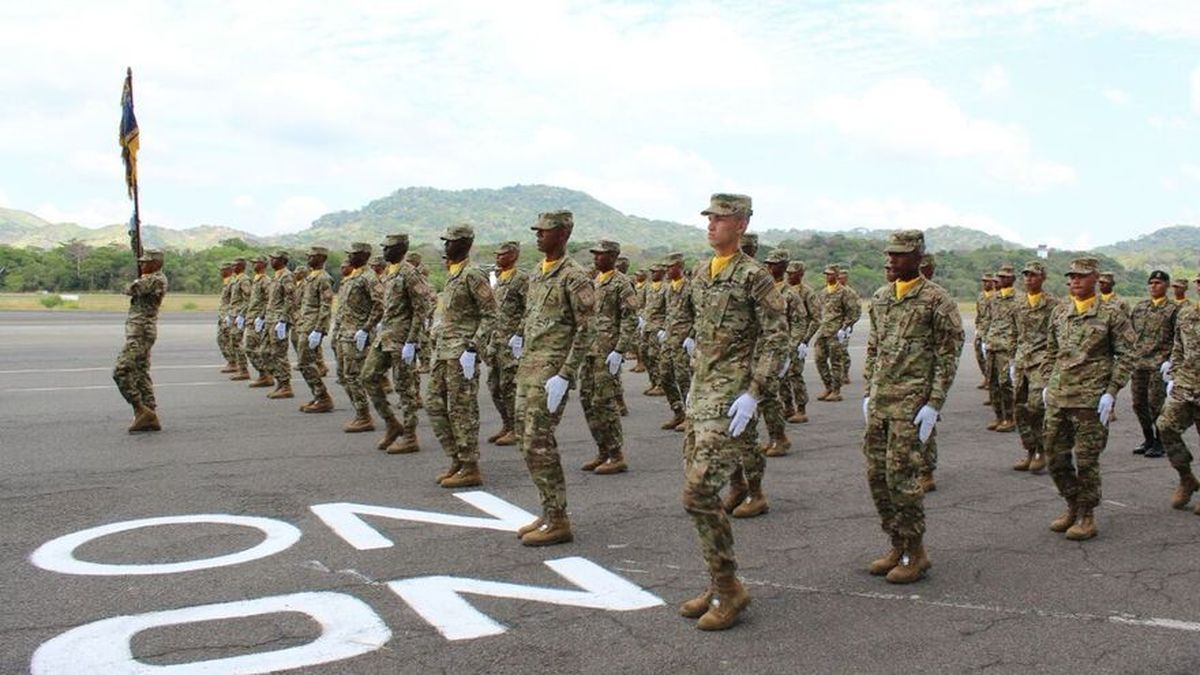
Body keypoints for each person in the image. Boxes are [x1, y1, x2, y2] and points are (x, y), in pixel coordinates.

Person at [677, 193, 786, 631]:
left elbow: (776, 337)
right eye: (709, 218)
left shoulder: (754, 277)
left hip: (731, 401)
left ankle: (730, 588)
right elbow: (702, 334)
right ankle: (719, 582)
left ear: (740, 225)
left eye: (720, 219)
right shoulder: (703, 272)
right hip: (702, 396)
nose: (711, 225)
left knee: (699, 493)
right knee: (698, 495)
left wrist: (755, 392)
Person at [861, 230, 962, 584]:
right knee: (878, 478)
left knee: (903, 480)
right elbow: (874, 347)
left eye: (900, 254)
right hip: (881, 402)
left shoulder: (937, 300)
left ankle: (915, 552)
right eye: (889, 254)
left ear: (919, 258)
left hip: (912, 404)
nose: (891, 260)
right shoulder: (881, 297)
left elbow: (948, 355)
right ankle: (896, 543)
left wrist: (934, 403)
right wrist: (867, 390)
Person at [511, 210, 594, 546]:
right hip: (529, 367)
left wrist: (565, 374)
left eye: (544, 231)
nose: (538, 236)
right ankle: (548, 510)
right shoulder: (538, 273)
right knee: (525, 440)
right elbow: (532, 316)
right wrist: (518, 335)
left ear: (563, 234)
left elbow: (588, 329)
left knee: (539, 442)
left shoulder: (574, 276)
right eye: (537, 231)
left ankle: (559, 519)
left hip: (551, 373)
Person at [1042, 257, 1135, 541]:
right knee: (1055, 458)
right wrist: (1047, 382)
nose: (1075, 281)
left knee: (1086, 460)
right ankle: (1072, 504)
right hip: (1059, 397)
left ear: (1095, 278)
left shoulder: (1111, 314)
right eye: (1071, 276)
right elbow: (1050, 352)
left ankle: (1087, 515)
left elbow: (1127, 354)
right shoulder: (1060, 312)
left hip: (1090, 401)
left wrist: (1112, 391)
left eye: (1081, 276)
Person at [428, 224, 497, 488]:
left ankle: (470, 466)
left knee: (461, 409)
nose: (446, 246)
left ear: (465, 243)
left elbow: (491, 314)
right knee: (434, 404)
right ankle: (456, 458)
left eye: (451, 242)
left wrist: (473, 347)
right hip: (444, 351)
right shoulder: (453, 274)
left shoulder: (472, 275)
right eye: (445, 242)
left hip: (461, 354)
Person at [362, 234, 431, 454]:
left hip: (402, 339)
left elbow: (422, 308)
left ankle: (410, 436)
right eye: (383, 247)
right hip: (386, 337)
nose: (384, 251)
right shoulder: (389, 274)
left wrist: (412, 341)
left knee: (405, 388)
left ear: (400, 249)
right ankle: (392, 423)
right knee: (368, 377)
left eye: (388, 248)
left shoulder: (409, 273)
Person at [579, 239, 638, 474]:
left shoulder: (622, 284)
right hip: (590, 350)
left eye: (601, 255)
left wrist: (620, 350)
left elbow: (630, 318)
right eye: (595, 255)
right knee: (587, 401)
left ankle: (616, 453)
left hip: (607, 352)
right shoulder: (593, 282)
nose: (596, 258)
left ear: (613, 256)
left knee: (604, 403)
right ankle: (602, 450)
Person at [1011, 261, 1059, 473]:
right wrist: (1012, 359)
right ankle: (1030, 450)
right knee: (1020, 408)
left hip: (1042, 361)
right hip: (1022, 361)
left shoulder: (1053, 305)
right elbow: (1014, 333)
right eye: (1026, 275)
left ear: (1043, 278)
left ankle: (1042, 450)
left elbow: (1059, 336)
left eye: (1033, 275)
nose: (1029, 278)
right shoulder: (1018, 303)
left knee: (1036, 407)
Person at [114, 248, 168, 432]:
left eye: (145, 262)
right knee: (141, 372)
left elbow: (130, 289)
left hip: (141, 332)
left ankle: (140, 408)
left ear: (155, 263)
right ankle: (149, 414)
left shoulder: (156, 279)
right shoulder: (149, 278)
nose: (141, 264)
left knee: (121, 370)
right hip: (139, 331)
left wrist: (136, 280)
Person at [1156, 283, 1200, 512]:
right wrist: (1172, 374)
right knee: (1165, 427)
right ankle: (1186, 477)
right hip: (1186, 384)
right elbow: (1178, 348)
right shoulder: (1188, 314)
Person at [334, 243, 383, 433]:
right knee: (344, 375)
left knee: (354, 376)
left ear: (363, 256)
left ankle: (364, 416)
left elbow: (380, 305)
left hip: (357, 335)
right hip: (345, 334)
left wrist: (366, 328)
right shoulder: (351, 277)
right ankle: (360, 411)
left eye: (353, 254)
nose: (349, 258)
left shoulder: (369, 278)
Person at [1129, 271, 1178, 458]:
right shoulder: (1140, 308)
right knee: (1138, 403)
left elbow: (1179, 338)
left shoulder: (1174, 309)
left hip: (1160, 364)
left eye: (1158, 282)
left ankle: (1160, 441)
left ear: (1166, 285)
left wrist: (1172, 361)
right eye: (1151, 283)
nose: (1153, 286)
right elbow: (1131, 334)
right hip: (1139, 363)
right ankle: (1148, 438)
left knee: (1156, 404)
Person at [760, 248, 802, 456]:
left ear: (784, 267)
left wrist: (791, 348)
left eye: (773, 264)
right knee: (761, 395)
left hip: (778, 349)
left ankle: (779, 437)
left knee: (768, 393)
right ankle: (773, 436)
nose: (768, 267)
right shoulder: (761, 290)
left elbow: (799, 321)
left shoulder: (790, 294)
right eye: (767, 263)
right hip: (760, 347)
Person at [486, 241, 528, 447]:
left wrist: (519, 334)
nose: (498, 258)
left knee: (509, 385)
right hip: (496, 340)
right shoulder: (499, 279)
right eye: (497, 255)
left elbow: (529, 309)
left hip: (511, 342)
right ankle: (506, 423)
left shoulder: (521, 279)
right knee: (494, 386)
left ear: (513, 256)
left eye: (502, 255)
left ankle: (516, 428)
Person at [297, 247, 336, 413]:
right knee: (304, 362)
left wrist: (319, 329)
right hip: (306, 324)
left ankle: (323, 397)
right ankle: (318, 395)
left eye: (311, 256)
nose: (308, 258)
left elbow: (326, 305)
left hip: (313, 326)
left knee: (305, 362)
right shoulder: (310, 277)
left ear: (320, 258)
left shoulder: (323, 278)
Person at [658, 252, 692, 431]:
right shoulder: (669, 288)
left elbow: (700, 315)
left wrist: (692, 336)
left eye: (670, 267)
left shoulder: (690, 288)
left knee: (684, 378)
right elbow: (667, 312)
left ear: (680, 267)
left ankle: (690, 415)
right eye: (665, 267)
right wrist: (663, 328)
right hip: (669, 339)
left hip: (683, 340)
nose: (666, 270)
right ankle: (678, 411)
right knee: (664, 376)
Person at [813, 264, 857, 402]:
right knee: (819, 359)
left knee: (835, 362)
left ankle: (836, 390)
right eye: (826, 274)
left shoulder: (845, 292)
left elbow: (853, 312)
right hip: (823, 331)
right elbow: (819, 312)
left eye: (830, 274)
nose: (827, 276)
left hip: (835, 332)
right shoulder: (823, 292)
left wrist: (845, 328)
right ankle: (828, 386)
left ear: (837, 275)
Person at [983, 265, 1018, 432]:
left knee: (1005, 383)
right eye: (1000, 277)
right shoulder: (994, 299)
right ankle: (999, 416)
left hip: (1006, 346)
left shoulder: (1019, 299)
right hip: (992, 344)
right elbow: (989, 320)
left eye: (1005, 277)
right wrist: (984, 337)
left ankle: (1011, 418)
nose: (1002, 280)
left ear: (1012, 279)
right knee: (992, 382)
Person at [783, 261, 818, 424]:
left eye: (793, 273)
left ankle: (801, 408)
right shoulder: (784, 290)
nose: (789, 275)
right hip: (783, 339)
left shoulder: (807, 293)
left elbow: (816, 319)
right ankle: (788, 406)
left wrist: (805, 340)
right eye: (788, 273)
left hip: (798, 340)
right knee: (781, 375)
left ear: (801, 274)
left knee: (794, 374)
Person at [262, 250, 296, 400]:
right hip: (270, 318)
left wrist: (283, 320)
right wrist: (262, 316)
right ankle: (279, 381)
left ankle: (285, 385)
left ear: (282, 260)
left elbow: (290, 299)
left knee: (279, 353)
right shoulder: (276, 277)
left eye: (274, 259)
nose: (271, 261)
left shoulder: (286, 276)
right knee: (264, 351)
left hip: (278, 320)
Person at [242, 255, 274, 389]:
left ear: (263, 264)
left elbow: (269, 300)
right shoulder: (256, 280)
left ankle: (266, 374)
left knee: (251, 348)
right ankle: (264, 374)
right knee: (252, 348)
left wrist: (261, 317)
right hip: (252, 318)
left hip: (258, 320)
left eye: (256, 263)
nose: (253, 265)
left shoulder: (265, 281)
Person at [641, 265, 668, 397]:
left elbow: (670, 309)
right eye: (651, 271)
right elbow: (645, 305)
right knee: (645, 354)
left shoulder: (666, 288)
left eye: (655, 272)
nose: (652, 274)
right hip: (647, 325)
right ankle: (653, 381)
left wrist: (664, 328)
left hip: (658, 326)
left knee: (655, 355)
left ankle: (661, 384)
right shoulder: (649, 287)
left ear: (662, 273)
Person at [227, 257, 252, 381]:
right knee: (233, 341)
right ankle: (239, 367)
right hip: (233, 314)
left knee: (237, 342)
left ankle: (244, 370)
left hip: (238, 316)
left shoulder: (244, 280)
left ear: (241, 266)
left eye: (235, 265)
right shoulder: (236, 280)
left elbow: (248, 299)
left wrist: (242, 315)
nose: (232, 267)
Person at [836, 268, 861, 385]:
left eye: (842, 278)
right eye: (838, 277)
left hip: (845, 326)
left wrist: (849, 325)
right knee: (834, 351)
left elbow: (857, 310)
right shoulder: (833, 291)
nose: (840, 280)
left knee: (843, 350)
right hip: (833, 326)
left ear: (846, 279)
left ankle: (844, 373)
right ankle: (836, 374)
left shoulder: (851, 293)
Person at [974, 274, 995, 390]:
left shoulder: (996, 296)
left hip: (992, 331)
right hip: (982, 330)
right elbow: (979, 313)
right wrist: (977, 327)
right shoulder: (981, 296)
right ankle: (986, 377)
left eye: (988, 281)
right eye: (984, 281)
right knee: (980, 355)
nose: (986, 283)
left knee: (990, 358)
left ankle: (990, 381)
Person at [217, 262, 237, 373]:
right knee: (222, 339)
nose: (221, 272)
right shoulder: (227, 282)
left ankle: (234, 362)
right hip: (223, 316)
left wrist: (231, 315)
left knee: (229, 340)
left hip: (229, 316)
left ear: (229, 270)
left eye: (223, 269)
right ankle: (231, 361)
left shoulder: (233, 282)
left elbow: (235, 300)